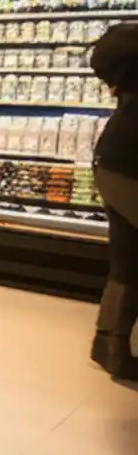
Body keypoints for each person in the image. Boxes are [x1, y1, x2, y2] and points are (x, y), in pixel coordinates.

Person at [89, 22, 138, 379]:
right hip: (128, 170)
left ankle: (108, 346)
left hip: (113, 164)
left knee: (128, 257)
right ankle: (111, 346)